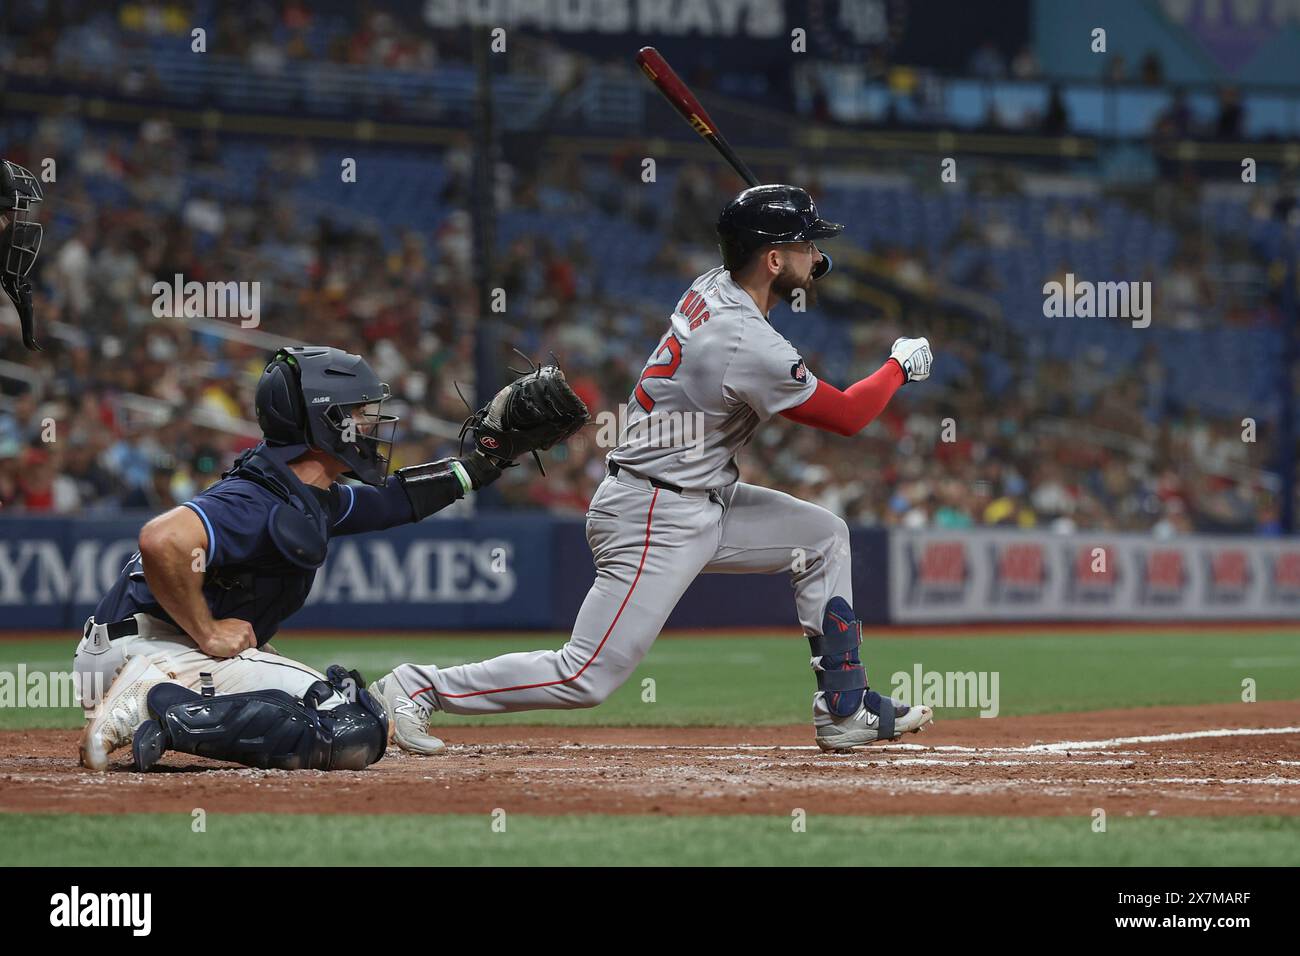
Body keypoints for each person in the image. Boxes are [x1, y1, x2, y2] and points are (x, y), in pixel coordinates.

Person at [368, 185, 936, 753]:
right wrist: (898, 365)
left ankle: (845, 706)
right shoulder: (746, 341)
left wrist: (800, 256)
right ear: (771, 258)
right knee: (584, 676)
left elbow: (771, 277)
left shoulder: (713, 285)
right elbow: (848, 415)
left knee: (823, 537)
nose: (818, 255)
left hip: (700, 495)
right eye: (807, 245)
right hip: (655, 513)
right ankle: (415, 687)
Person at [74, 345, 506, 772]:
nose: (372, 423)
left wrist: (481, 465)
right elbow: (161, 539)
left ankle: (165, 709)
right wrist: (206, 630)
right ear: (325, 420)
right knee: (352, 724)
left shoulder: (304, 493)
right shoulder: (257, 497)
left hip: (144, 650)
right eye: (359, 411)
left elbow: (393, 502)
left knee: (353, 715)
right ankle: (150, 703)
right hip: (153, 652)